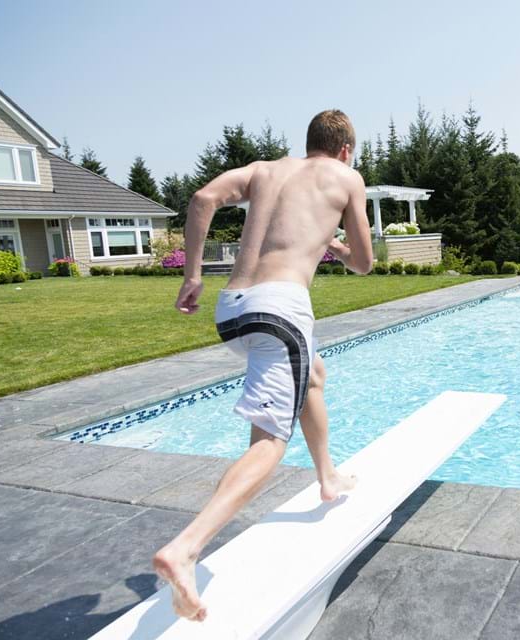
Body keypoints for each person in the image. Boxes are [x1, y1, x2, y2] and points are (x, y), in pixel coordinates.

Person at [152, 109, 373, 622]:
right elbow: (364, 263)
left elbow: (202, 199)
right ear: (345, 150)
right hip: (280, 309)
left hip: (232, 308)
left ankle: (327, 477)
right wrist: (335, 246)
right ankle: (186, 548)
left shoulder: (264, 170)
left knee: (312, 374)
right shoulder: (346, 177)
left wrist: (192, 276)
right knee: (270, 442)